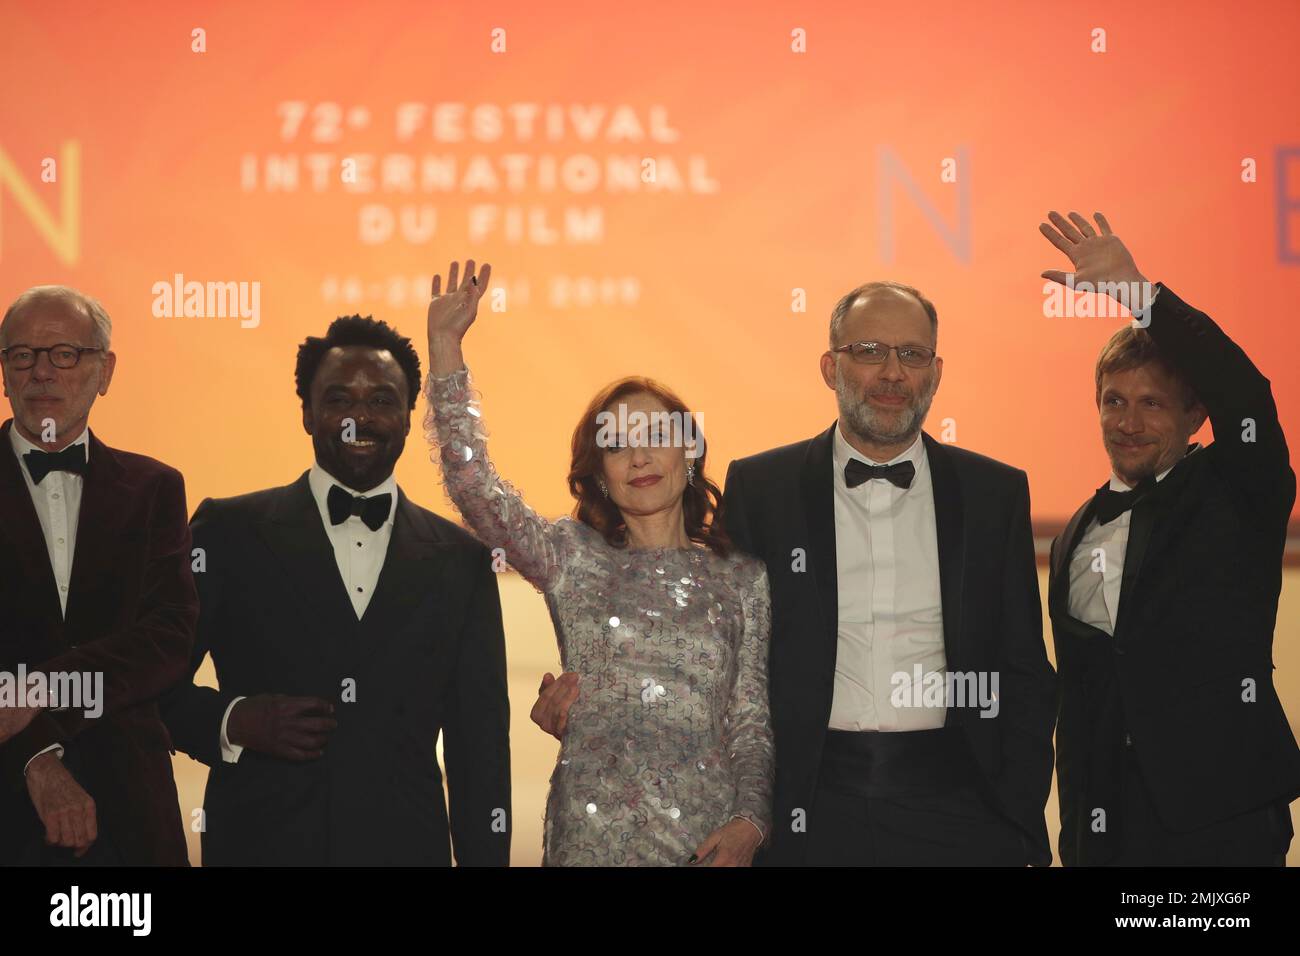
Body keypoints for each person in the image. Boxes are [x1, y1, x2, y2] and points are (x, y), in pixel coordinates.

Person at [533, 276, 1057, 866]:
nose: (891, 372)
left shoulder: (994, 492)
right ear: (831, 368)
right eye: (868, 351)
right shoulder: (762, 487)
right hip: (807, 814)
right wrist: (604, 697)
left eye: (911, 354)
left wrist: (1016, 813)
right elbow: (714, 648)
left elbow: (1024, 672)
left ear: (935, 372)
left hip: (961, 815)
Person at [425, 259, 773, 866]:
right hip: (592, 839)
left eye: (654, 436)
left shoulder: (742, 578)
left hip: (708, 842)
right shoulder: (571, 557)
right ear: (601, 476)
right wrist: (446, 346)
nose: (639, 457)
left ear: (688, 451)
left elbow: (751, 719)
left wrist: (751, 823)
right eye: (617, 445)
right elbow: (475, 488)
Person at [160, 315, 511, 866]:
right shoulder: (227, 532)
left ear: (408, 414)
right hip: (259, 849)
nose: (360, 417)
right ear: (307, 413)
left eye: (382, 399)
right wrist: (234, 720)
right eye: (339, 398)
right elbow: (155, 687)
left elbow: (480, 752)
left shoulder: (463, 561)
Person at [1041, 209, 1300, 865]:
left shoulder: (1239, 492)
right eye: (1114, 400)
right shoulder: (1076, 529)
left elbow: (1245, 391)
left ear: (1196, 415)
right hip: (1108, 832)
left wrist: (1137, 294)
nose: (1128, 422)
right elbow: (1081, 702)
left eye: (1152, 402)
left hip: (1221, 825)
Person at [0, 285, 197, 865]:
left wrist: (41, 688)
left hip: (131, 812)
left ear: (105, 370)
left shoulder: (156, 488)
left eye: (64, 353)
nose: (41, 372)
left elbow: (167, 638)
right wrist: (37, 760)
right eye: (20, 355)